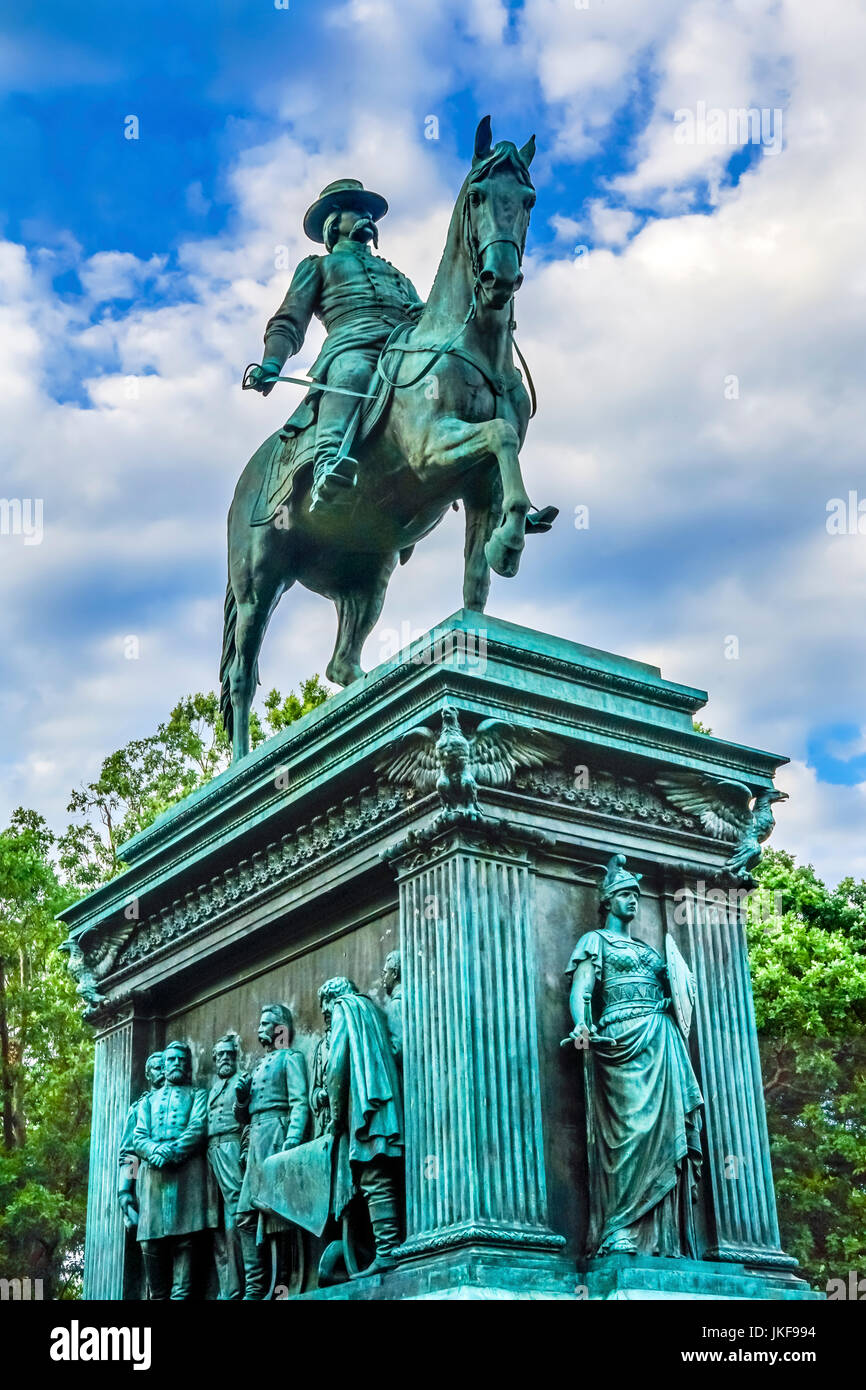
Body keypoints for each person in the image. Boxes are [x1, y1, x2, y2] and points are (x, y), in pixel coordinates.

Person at [245, 177, 424, 509]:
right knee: (351, 372)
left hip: (407, 346)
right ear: (332, 224)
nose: (365, 216)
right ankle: (327, 464)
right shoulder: (319, 266)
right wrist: (272, 362)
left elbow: (428, 320)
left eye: (367, 212)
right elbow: (289, 320)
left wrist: (427, 314)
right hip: (354, 344)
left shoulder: (399, 276)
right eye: (355, 211)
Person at [566, 854, 703, 1258]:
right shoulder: (595, 941)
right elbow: (583, 989)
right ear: (607, 901)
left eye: (636, 895)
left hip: (661, 1038)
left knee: (663, 1135)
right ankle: (618, 1226)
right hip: (621, 1039)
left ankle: (661, 1238)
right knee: (630, 1134)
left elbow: (682, 989)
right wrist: (582, 1023)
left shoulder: (646, 947)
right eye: (624, 894)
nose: (633, 901)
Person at [318, 976, 404, 1275]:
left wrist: (336, 1117)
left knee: (372, 1176)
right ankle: (385, 1249)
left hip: (364, 1108)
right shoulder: (372, 1010)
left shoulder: (345, 1007)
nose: (326, 1018)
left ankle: (387, 1251)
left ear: (332, 999)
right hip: (384, 1100)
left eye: (324, 1011)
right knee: (378, 1174)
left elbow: (337, 1066)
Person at [234, 1004, 310, 1299]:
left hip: (277, 1134)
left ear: (280, 1028)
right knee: (245, 1215)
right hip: (256, 1138)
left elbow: (299, 1101)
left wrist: (292, 1139)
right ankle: (255, 1287)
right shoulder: (257, 1066)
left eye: (266, 1023)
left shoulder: (291, 1058)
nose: (258, 1029)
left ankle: (281, 1285)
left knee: (278, 1214)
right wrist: (241, 1099)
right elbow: (242, 1115)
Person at [132, 1040, 210, 1299]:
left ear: (187, 1066)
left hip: (186, 1174)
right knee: (150, 1243)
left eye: (181, 1060)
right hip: (153, 1177)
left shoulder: (197, 1095)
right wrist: (155, 1151)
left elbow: (197, 1127)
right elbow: (138, 1137)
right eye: (171, 1060)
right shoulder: (147, 1102)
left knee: (184, 1241)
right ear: (163, 1066)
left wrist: (173, 1151)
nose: (176, 1064)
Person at [206, 1034, 245, 1299]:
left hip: (231, 1146)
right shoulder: (212, 1089)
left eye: (229, 1055)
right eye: (220, 1055)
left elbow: (246, 1116)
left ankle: (241, 1285)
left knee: (236, 1214)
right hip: (210, 1152)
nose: (225, 1059)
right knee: (214, 1221)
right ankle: (226, 1286)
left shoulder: (240, 1082)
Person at [118, 1050, 163, 1232]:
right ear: (148, 1074)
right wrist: (124, 1191)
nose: (162, 1072)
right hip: (148, 1183)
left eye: (164, 1068)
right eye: (157, 1068)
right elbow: (129, 1155)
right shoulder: (138, 1109)